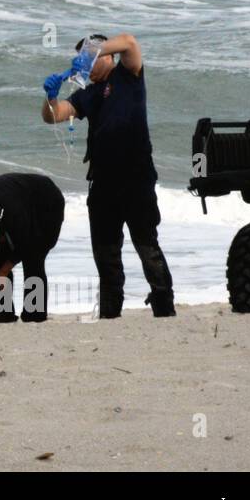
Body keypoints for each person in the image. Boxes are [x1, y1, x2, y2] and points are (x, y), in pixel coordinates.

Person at [41, 34, 175, 318]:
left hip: (136, 178)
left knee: (146, 245)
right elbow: (53, 115)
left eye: (92, 58)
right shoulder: (87, 93)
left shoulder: (128, 75)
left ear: (108, 57)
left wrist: (93, 50)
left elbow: (129, 41)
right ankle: (110, 313)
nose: (87, 66)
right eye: (83, 60)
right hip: (102, 183)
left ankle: (164, 308)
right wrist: (50, 97)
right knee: (105, 254)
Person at [0, 173, 65, 322]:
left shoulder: (12, 215)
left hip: (47, 202)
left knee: (34, 258)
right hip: (16, 200)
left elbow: (25, 244)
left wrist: (3, 271)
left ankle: (35, 315)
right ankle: (4, 315)